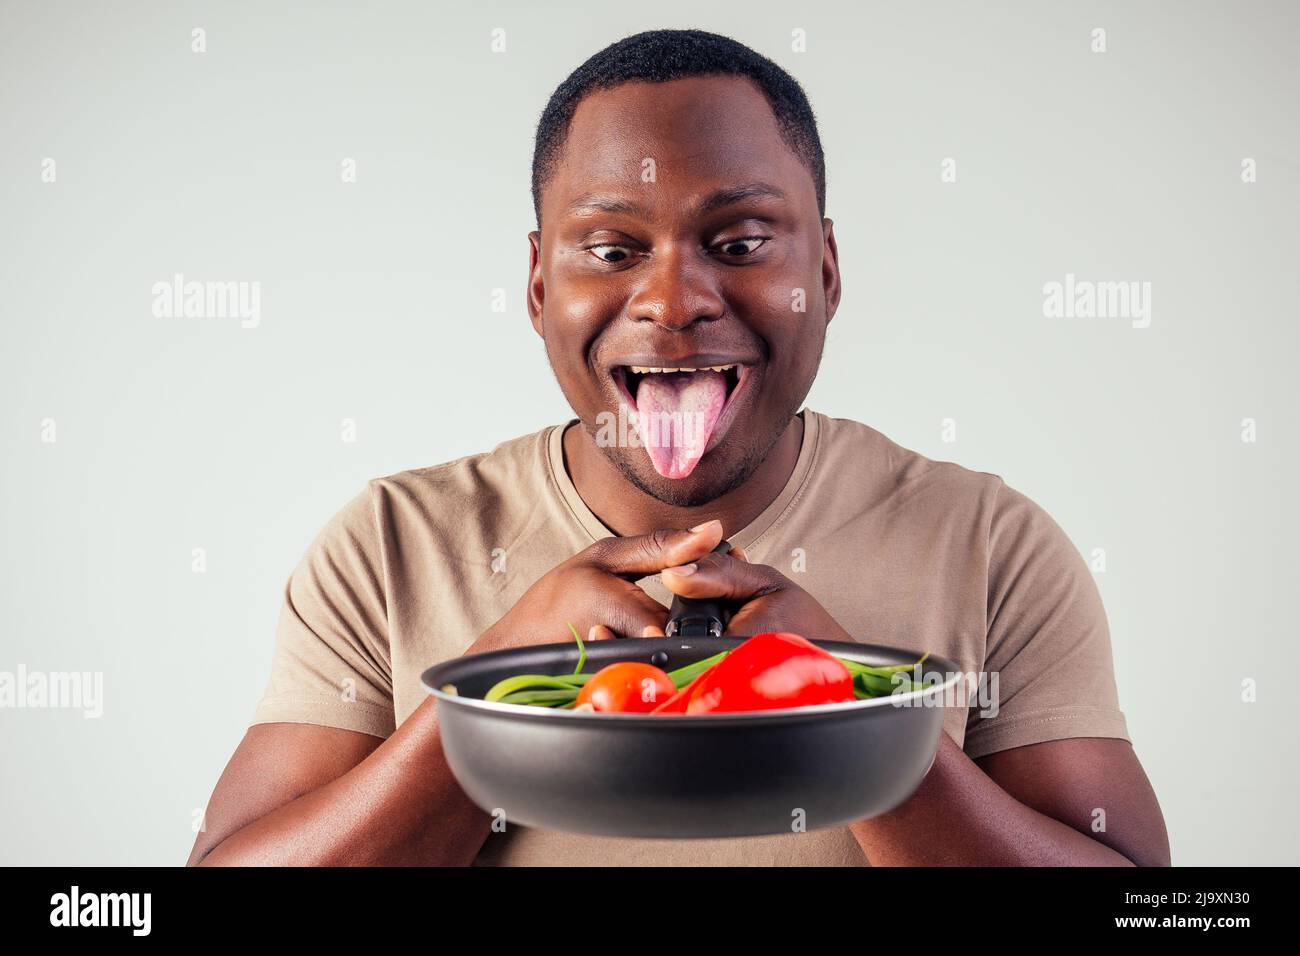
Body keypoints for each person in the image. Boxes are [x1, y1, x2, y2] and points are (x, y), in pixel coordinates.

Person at [188, 29, 1169, 866]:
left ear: (824, 271)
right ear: (538, 283)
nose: (671, 301)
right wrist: (482, 699)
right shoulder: (390, 543)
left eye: (740, 242)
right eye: (612, 250)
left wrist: (857, 719)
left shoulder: (990, 542)